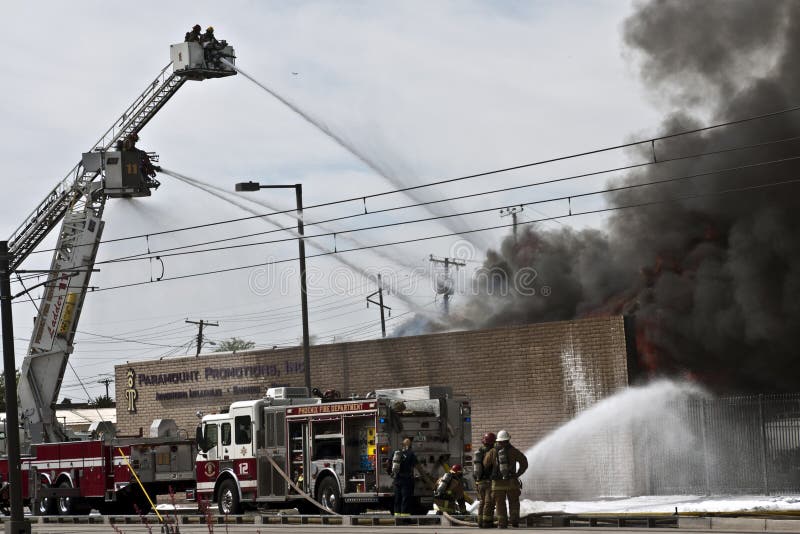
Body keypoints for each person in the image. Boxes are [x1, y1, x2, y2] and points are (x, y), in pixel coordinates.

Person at [482, 430, 528, 529]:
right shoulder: (514, 451)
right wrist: (517, 474)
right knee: (514, 503)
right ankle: (514, 521)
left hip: (497, 484)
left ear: (498, 440)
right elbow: (524, 463)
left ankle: (502, 524)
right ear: (508, 439)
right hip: (512, 483)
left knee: (500, 505)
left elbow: (485, 464)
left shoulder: (493, 451)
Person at [389, 437, 418, 516]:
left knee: (397, 498)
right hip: (406, 480)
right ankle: (405, 518)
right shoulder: (410, 454)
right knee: (406, 499)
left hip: (397, 479)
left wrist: (392, 474)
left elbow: (388, 464)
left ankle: (397, 517)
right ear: (409, 445)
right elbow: (415, 465)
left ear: (402, 444)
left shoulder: (395, 453)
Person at [474, 432, 496, 528]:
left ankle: (480, 522)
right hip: (488, 481)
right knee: (488, 502)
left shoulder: (479, 452)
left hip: (479, 482)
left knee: (482, 502)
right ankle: (487, 522)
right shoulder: (492, 452)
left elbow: (476, 470)